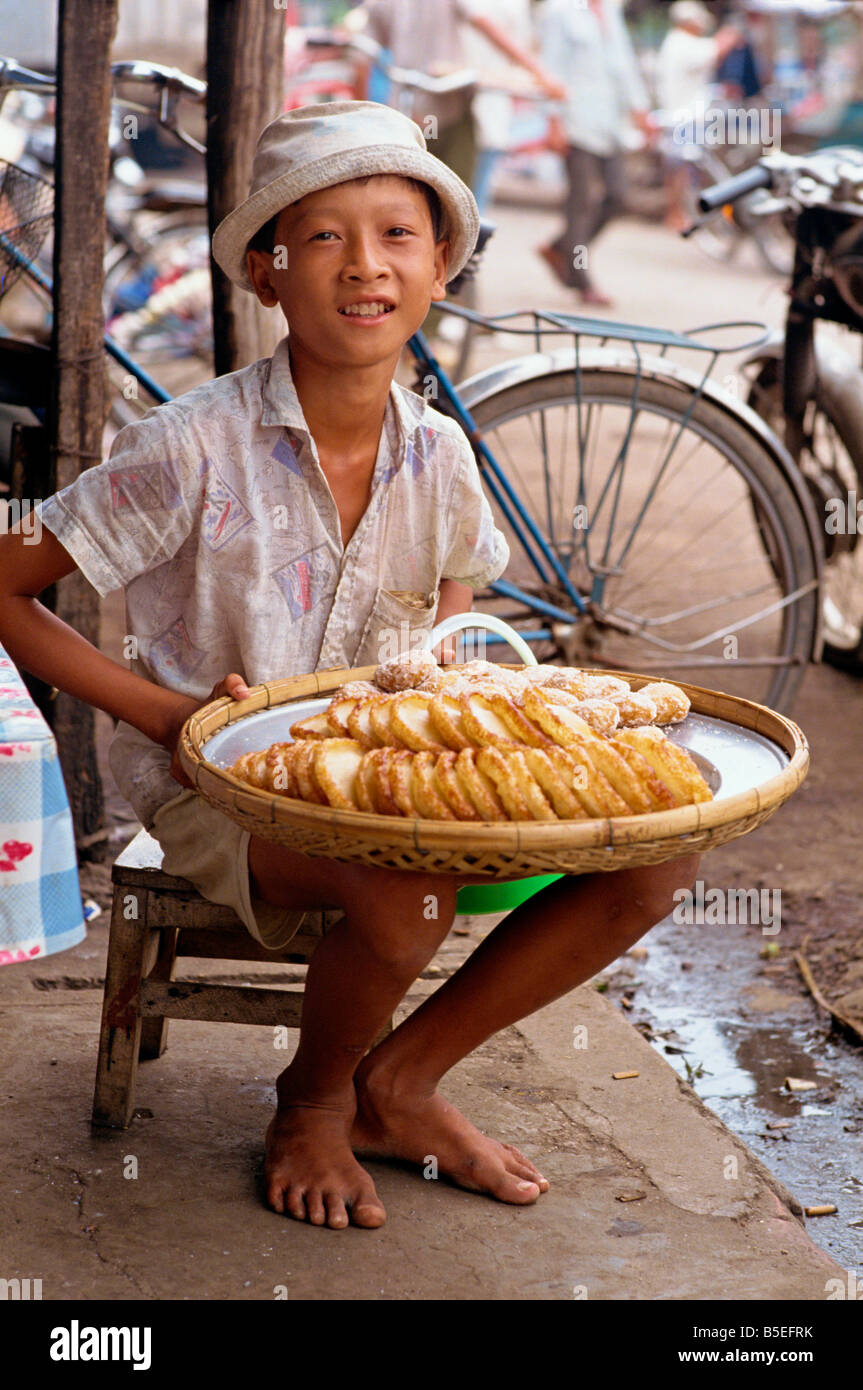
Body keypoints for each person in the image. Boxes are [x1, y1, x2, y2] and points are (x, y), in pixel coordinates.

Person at [0, 102, 700, 1230]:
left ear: (437, 274)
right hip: (217, 795)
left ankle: (398, 1082)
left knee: (656, 863)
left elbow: (455, 605)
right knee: (401, 882)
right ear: (268, 275)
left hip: (392, 785)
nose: (363, 264)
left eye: (396, 237)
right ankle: (313, 1101)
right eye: (322, 236)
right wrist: (171, 715)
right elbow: (6, 585)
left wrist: (446, 667)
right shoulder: (188, 446)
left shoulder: (440, 454)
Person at [538, 0, 652, 308]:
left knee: (618, 197)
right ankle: (581, 280)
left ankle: (561, 247)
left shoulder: (611, 10)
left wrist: (640, 109)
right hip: (575, 121)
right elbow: (551, 65)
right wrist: (553, 120)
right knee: (583, 201)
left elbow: (624, 64)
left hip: (609, 123)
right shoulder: (560, 10)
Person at [655, 1, 743, 233]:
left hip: (682, 116)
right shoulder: (682, 44)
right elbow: (716, 49)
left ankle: (680, 213)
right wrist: (730, 33)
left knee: (682, 168)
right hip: (684, 117)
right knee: (683, 168)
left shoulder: (676, 43)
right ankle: (678, 214)